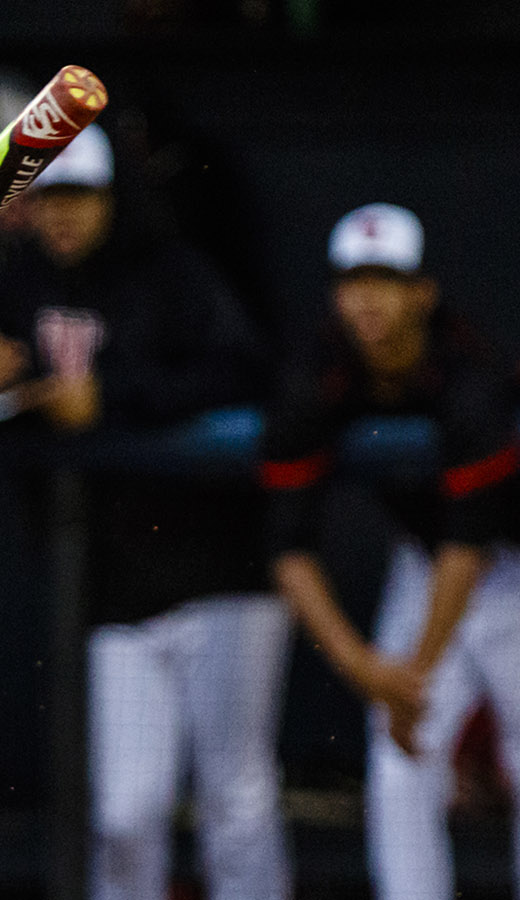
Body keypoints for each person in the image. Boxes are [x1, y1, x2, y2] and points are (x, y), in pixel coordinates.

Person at [0, 124, 290, 900]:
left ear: (112, 199)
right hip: (115, 583)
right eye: (50, 198)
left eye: (81, 196)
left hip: (221, 572)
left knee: (234, 802)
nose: (65, 215)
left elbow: (246, 374)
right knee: (125, 813)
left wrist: (118, 399)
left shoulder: (171, 271)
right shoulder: (16, 279)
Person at [260, 202, 520, 900]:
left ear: (421, 292)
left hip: (507, 563)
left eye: (386, 278)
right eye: (353, 280)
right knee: (400, 768)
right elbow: (289, 546)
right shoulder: (320, 370)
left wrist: (412, 680)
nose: (367, 297)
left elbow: (472, 540)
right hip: (426, 559)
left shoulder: (471, 370)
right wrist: (364, 669)